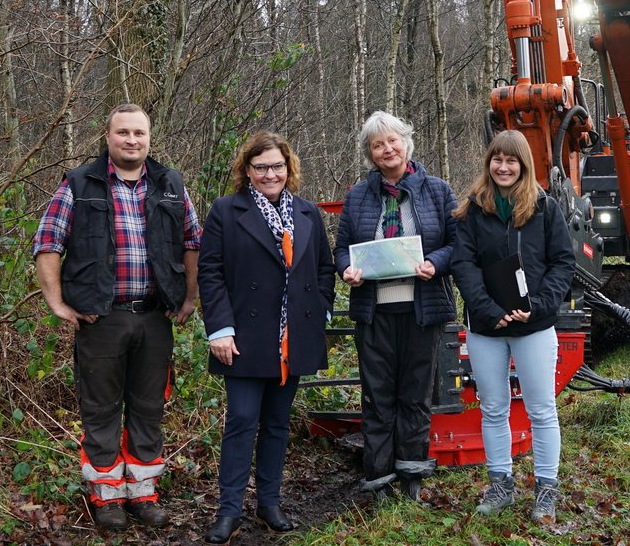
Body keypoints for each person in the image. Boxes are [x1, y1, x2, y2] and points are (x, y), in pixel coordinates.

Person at [33, 104, 201, 533]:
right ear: (108, 137)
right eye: (123, 132)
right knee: (101, 409)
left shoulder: (170, 184)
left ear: (149, 138)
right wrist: (55, 302)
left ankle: (143, 493)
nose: (132, 140)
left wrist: (189, 298)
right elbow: (48, 243)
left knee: (148, 407)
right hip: (100, 319)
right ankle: (106, 497)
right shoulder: (79, 184)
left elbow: (192, 244)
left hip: (154, 316)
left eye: (139, 133)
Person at [198, 132, 335, 545]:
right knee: (241, 421)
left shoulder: (308, 213)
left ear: (288, 169)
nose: (270, 173)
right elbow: (210, 272)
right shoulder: (226, 210)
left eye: (277, 166)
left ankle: (270, 503)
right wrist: (220, 329)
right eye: (261, 167)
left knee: (277, 424)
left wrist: (319, 313)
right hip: (242, 337)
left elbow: (324, 270)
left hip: (293, 338)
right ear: (247, 171)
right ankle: (229, 510)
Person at [450, 130, 575, 524]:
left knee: (541, 410)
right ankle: (501, 484)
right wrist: (487, 309)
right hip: (486, 328)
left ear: (523, 165)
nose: (503, 167)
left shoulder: (545, 208)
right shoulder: (471, 210)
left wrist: (536, 307)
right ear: (488, 163)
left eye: (512, 161)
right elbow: (463, 265)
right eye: (497, 160)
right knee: (492, 408)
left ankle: (546, 491)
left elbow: (563, 264)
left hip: (533, 327)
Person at [334, 111, 457, 502]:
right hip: (374, 312)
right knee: (377, 395)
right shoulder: (357, 197)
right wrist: (347, 271)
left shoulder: (437, 191)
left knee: (415, 394)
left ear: (406, 143)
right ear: (370, 154)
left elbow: (457, 243)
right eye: (377, 144)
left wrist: (435, 263)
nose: (386, 149)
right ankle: (378, 477)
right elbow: (340, 250)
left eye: (392, 141)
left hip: (423, 309)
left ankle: (412, 474)